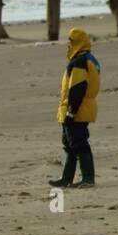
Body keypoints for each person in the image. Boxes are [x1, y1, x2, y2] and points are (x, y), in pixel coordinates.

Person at [50, 27, 99, 188]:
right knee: (70, 143)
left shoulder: (80, 62)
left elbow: (77, 88)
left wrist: (71, 111)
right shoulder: (87, 59)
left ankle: (88, 178)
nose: (68, 46)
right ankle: (67, 178)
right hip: (82, 107)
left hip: (78, 108)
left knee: (79, 142)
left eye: (71, 42)